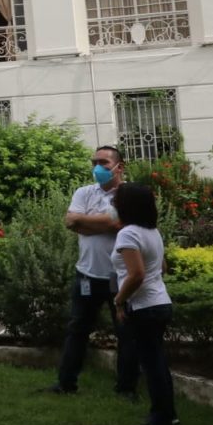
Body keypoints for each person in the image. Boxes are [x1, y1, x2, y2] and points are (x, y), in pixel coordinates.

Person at [47, 145, 139, 396]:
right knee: (77, 330)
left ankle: (126, 389)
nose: (97, 168)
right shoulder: (84, 192)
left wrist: (86, 223)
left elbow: (120, 224)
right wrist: (107, 224)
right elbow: (70, 221)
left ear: (119, 167)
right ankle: (66, 384)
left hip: (120, 278)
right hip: (87, 274)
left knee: (126, 334)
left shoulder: (130, 195)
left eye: (104, 163)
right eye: (94, 162)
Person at [110, 183, 176, 425]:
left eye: (117, 201)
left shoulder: (128, 234)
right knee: (157, 361)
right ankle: (169, 414)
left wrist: (119, 300)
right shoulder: (153, 232)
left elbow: (136, 274)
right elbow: (162, 268)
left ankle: (160, 420)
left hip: (144, 306)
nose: (114, 205)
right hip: (160, 302)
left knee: (152, 365)